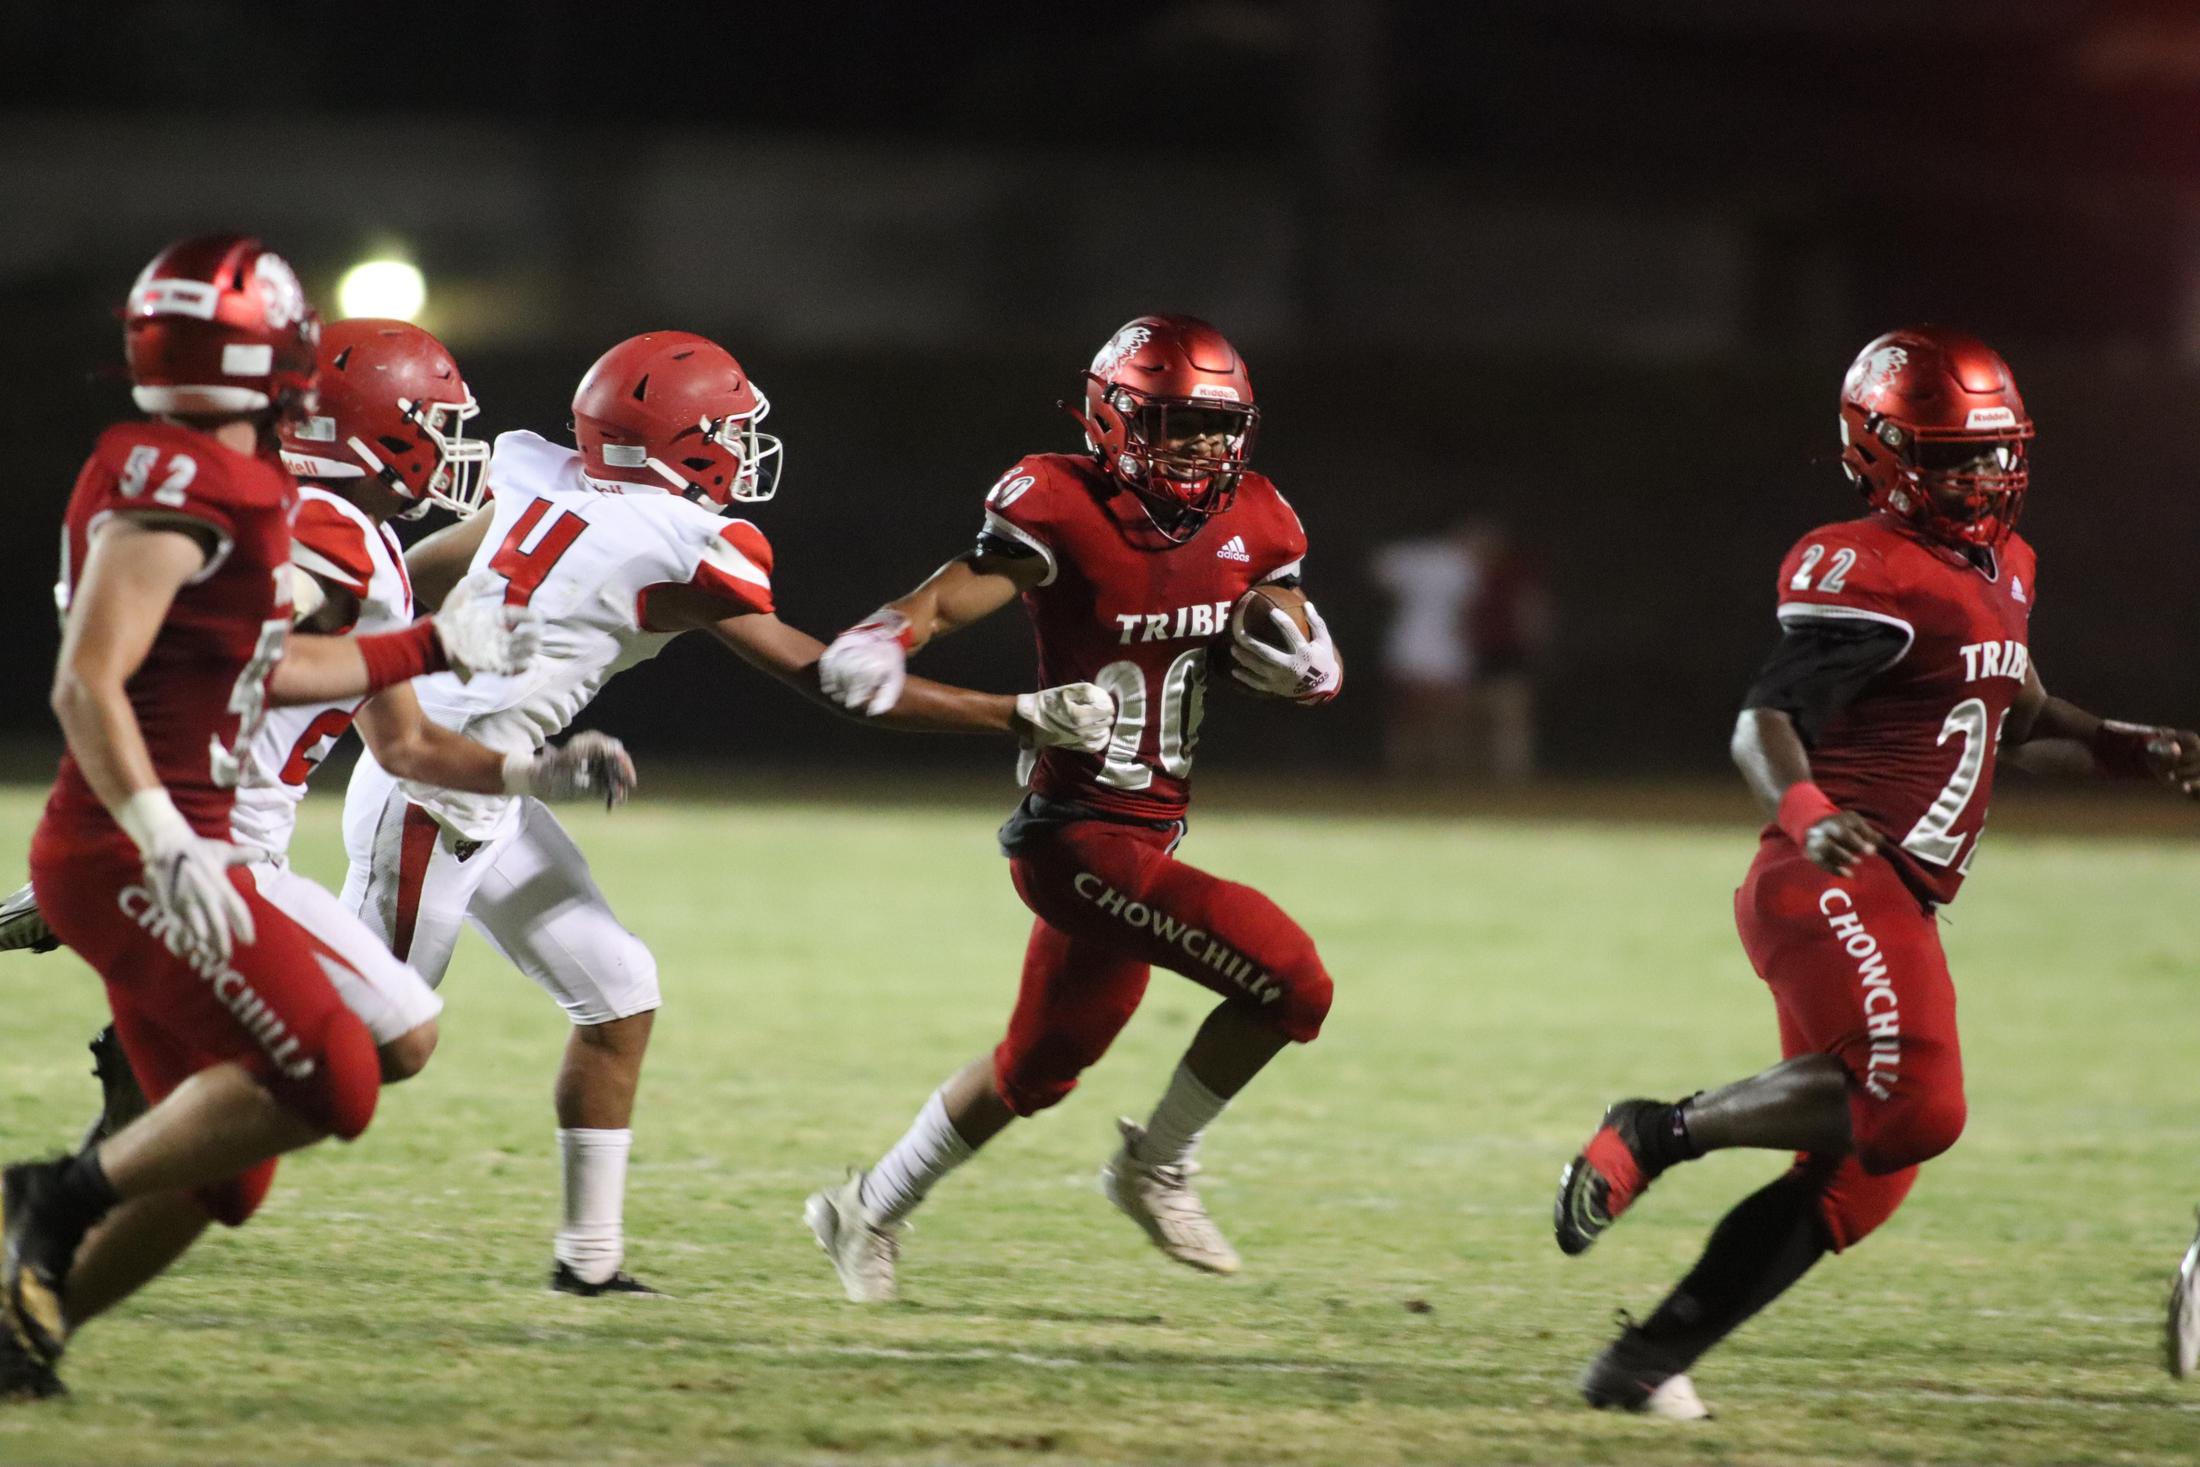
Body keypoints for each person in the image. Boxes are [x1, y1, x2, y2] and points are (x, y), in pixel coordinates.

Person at [338, 330, 1113, 1295]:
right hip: (431, 791)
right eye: (732, 430)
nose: (746, 447)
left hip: (492, 786)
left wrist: (390, 647)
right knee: (355, 1048)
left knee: (618, 994)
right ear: (684, 442)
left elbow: (421, 565)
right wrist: (1017, 715)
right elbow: (834, 682)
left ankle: (589, 1264)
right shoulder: (680, 542)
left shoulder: (541, 477)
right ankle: (148, 1087)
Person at [1549, 326, 2200, 1419]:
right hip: (1833, 875)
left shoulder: (2003, 568)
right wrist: (1806, 813)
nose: (1982, 477)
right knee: (1917, 1109)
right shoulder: (1868, 567)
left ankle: (1639, 1366)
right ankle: (1657, 1130)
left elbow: (2016, 717)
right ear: (1881, 452)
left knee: (1867, 1170)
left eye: (1995, 452)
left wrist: (2124, 746)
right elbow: (1763, 723)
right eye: (1952, 456)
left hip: (1889, 890)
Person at [0, 235, 540, 1402]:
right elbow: (150, 668)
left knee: (234, 1175)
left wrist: (474, 688)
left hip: (181, 838)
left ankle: (23, 1326)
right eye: (433, 425)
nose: (450, 451)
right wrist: (147, 836)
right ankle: (56, 1197)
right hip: (189, 846)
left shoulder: (241, 489)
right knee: (357, 1063)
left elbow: (321, 692)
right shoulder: (269, 510)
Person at [804, 314, 1343, 1303]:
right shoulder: (1057, 503)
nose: (1200, 446)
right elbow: (954, 593)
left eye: (1218, 426)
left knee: (1039, 1066)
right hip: (1076, 839)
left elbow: (1280, 611)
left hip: (1151, 829)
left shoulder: (1258, 516)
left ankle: (863, 1209)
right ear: (1113, 415)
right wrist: (890, 630)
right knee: (1292, 982)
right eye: (1175, 422)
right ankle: (1156, 1166)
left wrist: (1305, 653)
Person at [1, 318, 637, 1151]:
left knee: (259, 1106)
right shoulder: (336, 532)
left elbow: (408, 747)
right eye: (433, 424)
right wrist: (428, 643)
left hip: (209, 831)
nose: (450, 446)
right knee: (381, 1041)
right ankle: (105, 1146)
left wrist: (536, 772)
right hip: (217, 848)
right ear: (373, 432)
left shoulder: (347, 531)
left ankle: (82, 1187)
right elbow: (247, 636)